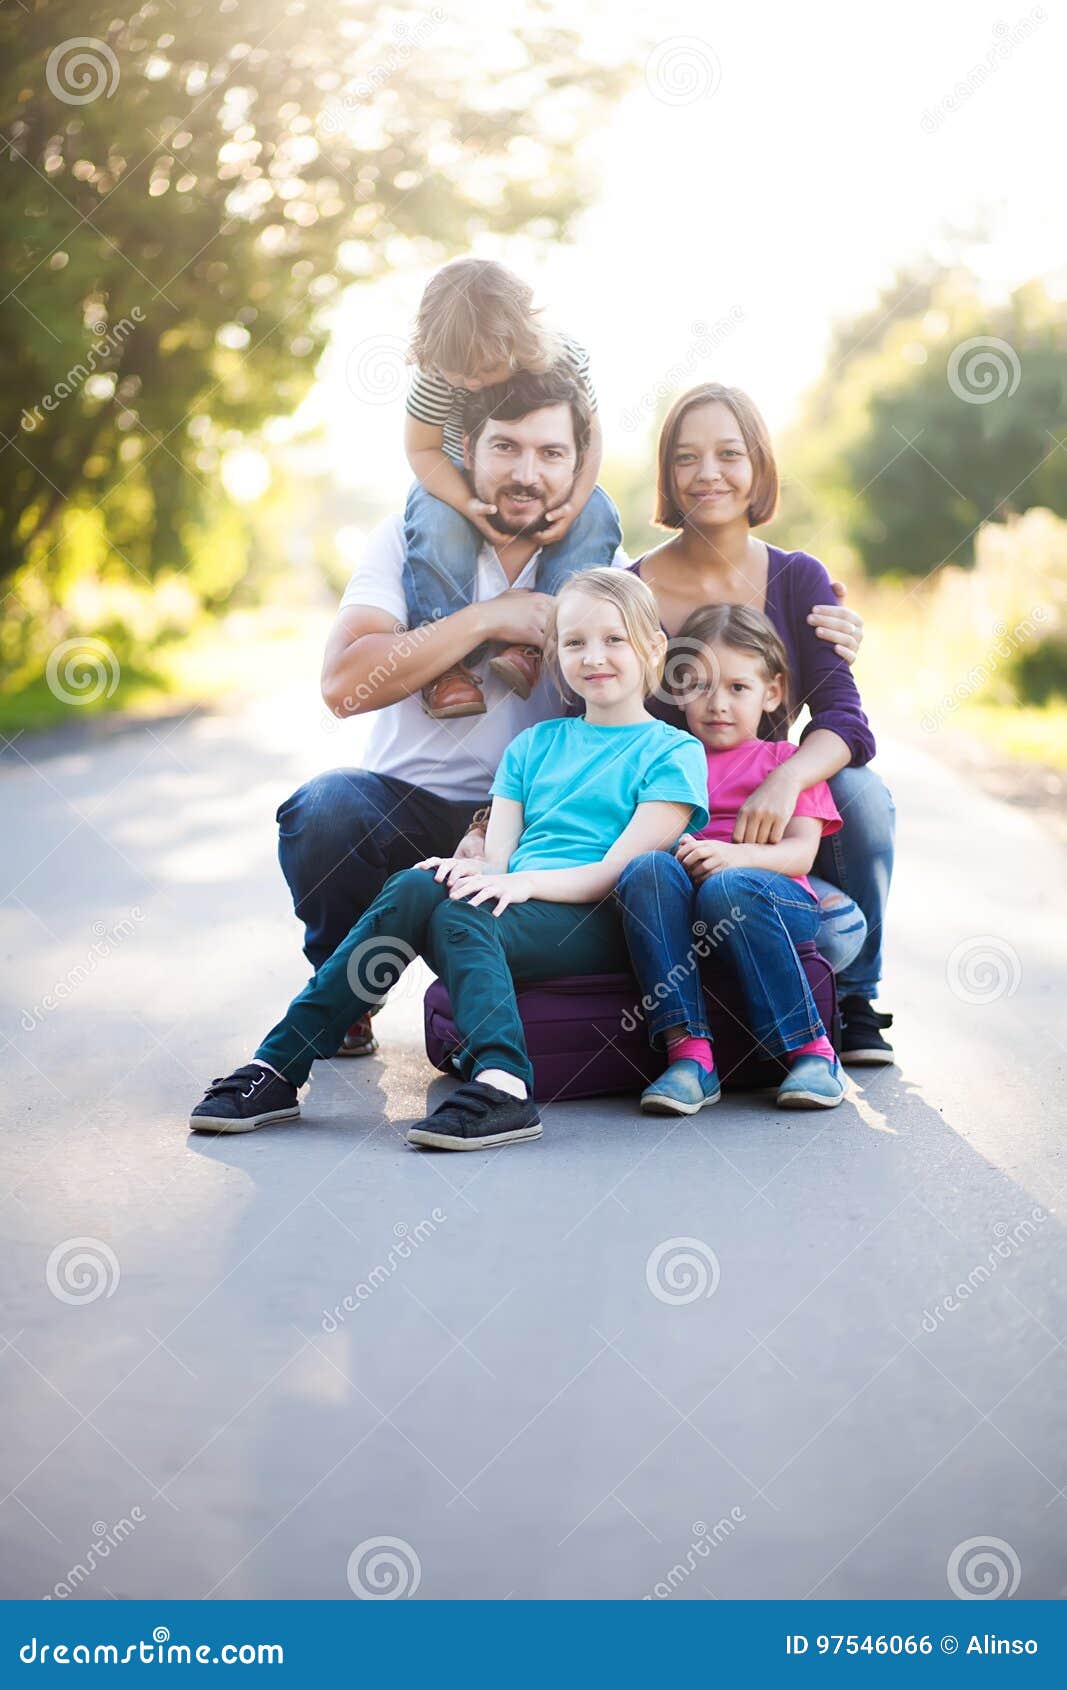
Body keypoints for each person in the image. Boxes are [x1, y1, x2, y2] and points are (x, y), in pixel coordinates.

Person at [190, 571, 710, 1150]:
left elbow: (617, 873)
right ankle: (278, 1066)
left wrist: (519, 883)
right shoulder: (533, 746)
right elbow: (498, 858)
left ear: (655, 648)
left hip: (598, 919)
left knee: (463, 914)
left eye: (615, 640)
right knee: (419, 886)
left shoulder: (673, 751)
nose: (594, 656)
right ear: (556, 653)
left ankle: (504, 1084)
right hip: (519, 906)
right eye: (574, 642)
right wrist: (469, 871)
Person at [282, 366, 627, 1059]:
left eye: (550, 453)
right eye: (505, 447)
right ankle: (348, 991)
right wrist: (485, 620)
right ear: (465, 450)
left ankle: (503, 990)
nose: (527, 472)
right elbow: (342, 685)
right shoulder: (409, 536)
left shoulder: (602, 559)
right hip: (403, 803)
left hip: (535, 819)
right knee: (324, 811)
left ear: (578, 462)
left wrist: (813, 631)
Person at [628, 383, 895, 1067]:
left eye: (728, 454)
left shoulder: (797, 578)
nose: (707, 474)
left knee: (861, 793)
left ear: (758, 469)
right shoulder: (632, 592)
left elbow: (843, 718)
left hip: (766, 825)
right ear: (666, 474)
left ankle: (855, 1003)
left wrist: (785, 779)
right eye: (686, 458)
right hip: (675, 818)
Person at [616, 603, 854, 1114]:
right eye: (701, 685)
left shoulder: (784, 763)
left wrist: (732, 856)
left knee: (729, 886)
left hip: (773, 900)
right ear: (677, 689)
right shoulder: (663, 757)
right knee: (645, 869)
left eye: (738, 688)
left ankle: (811, 1050)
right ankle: (690, 1056)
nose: (718, 703)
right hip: (685, 904)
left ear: (772, 693)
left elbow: (800, 853)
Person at [403, 258, 621, 717]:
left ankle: (542, 643)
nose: (468, 381)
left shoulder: (564, 355)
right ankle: (447, 667)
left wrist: (575, 500)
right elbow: (422, 449)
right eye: (457, 373)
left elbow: (592, 437)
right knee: (434, 523)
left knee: (597, 514)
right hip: (463, 476)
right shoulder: (439, 374)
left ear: (518, 341)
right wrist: (466, 502)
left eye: (481, 370)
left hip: (542, 480)